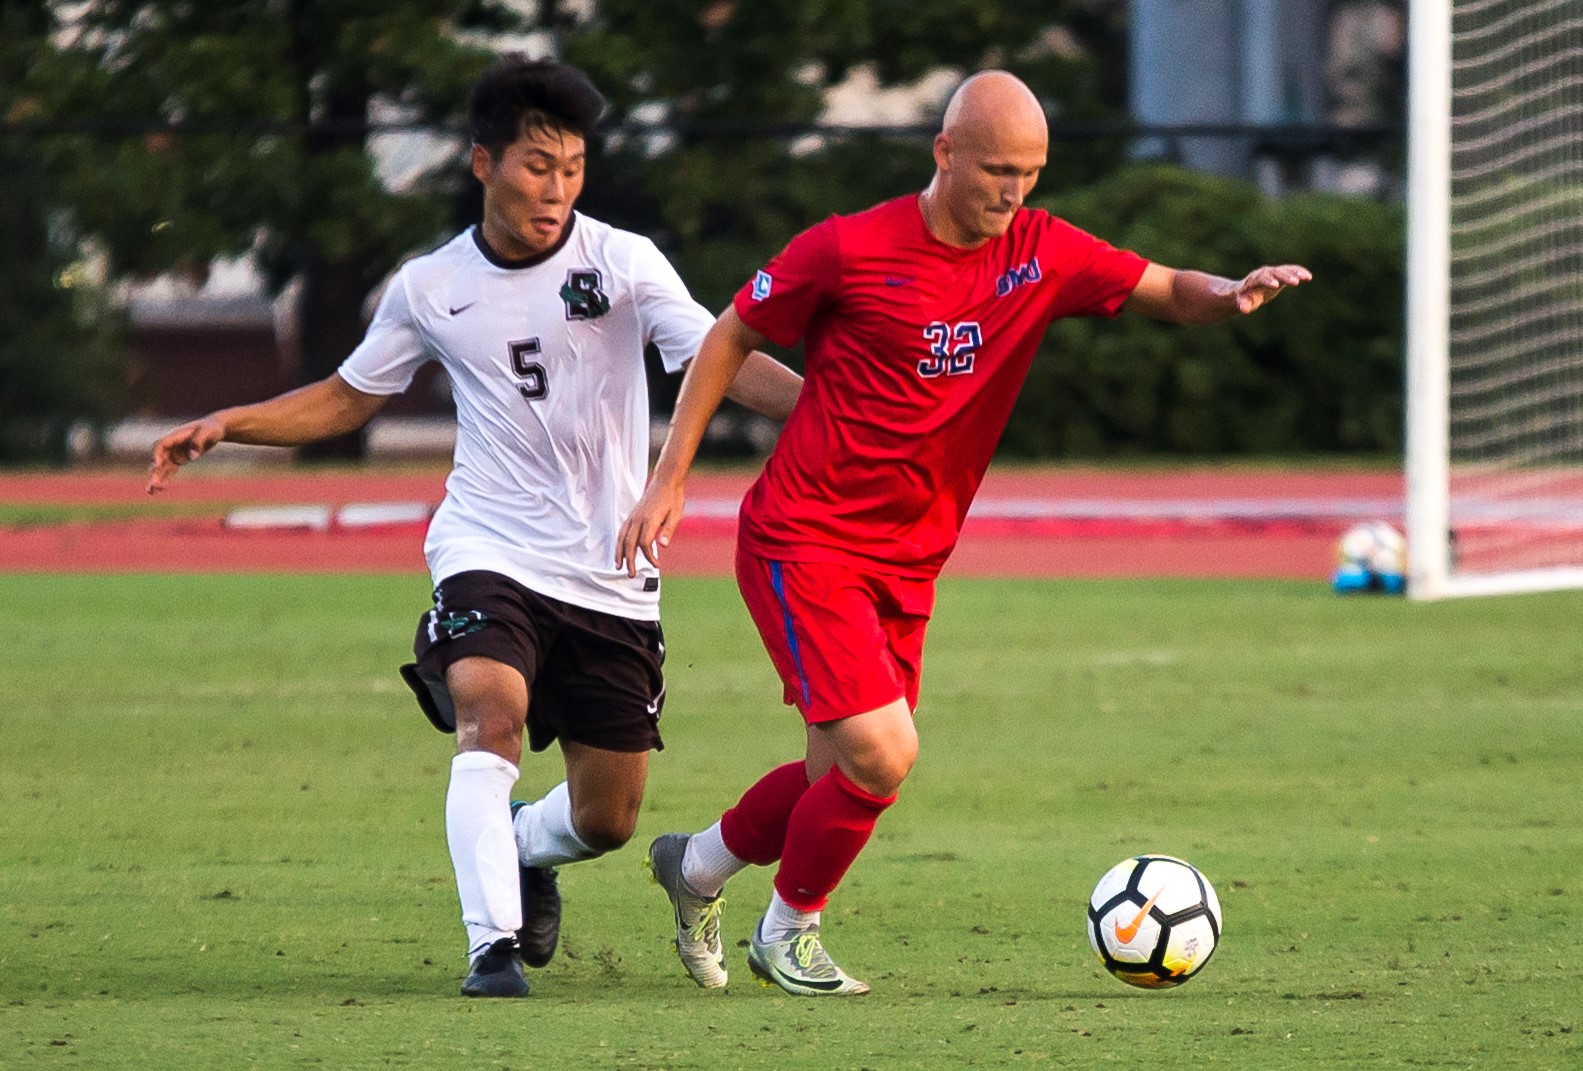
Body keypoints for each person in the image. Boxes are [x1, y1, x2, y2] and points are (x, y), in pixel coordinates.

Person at [617, 70, 1310, 997]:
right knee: (884, 754)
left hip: (909, 559)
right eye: (996, 170)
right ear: (944, 153)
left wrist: (1229, 292)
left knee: (837, 774)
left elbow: (1162, 287)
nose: (1013, 192)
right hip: (803, 537)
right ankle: (788, 932)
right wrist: (671, 478)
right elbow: (728, 336)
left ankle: (695, 866)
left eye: (1030, 173)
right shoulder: (848, 248)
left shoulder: (1040, 251)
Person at [146, 56, 801, 999]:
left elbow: (724, 360)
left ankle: (525, 848)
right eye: (539, 165)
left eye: (574, 167)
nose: (558, 188)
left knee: (609, 817)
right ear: (482, 163)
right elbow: (345, 397)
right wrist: (229, 423)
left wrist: (836, 413)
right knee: (489, 711)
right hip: (486, 547)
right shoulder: (430, 285)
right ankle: (490, 948)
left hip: (609, 571)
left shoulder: (621, 262)